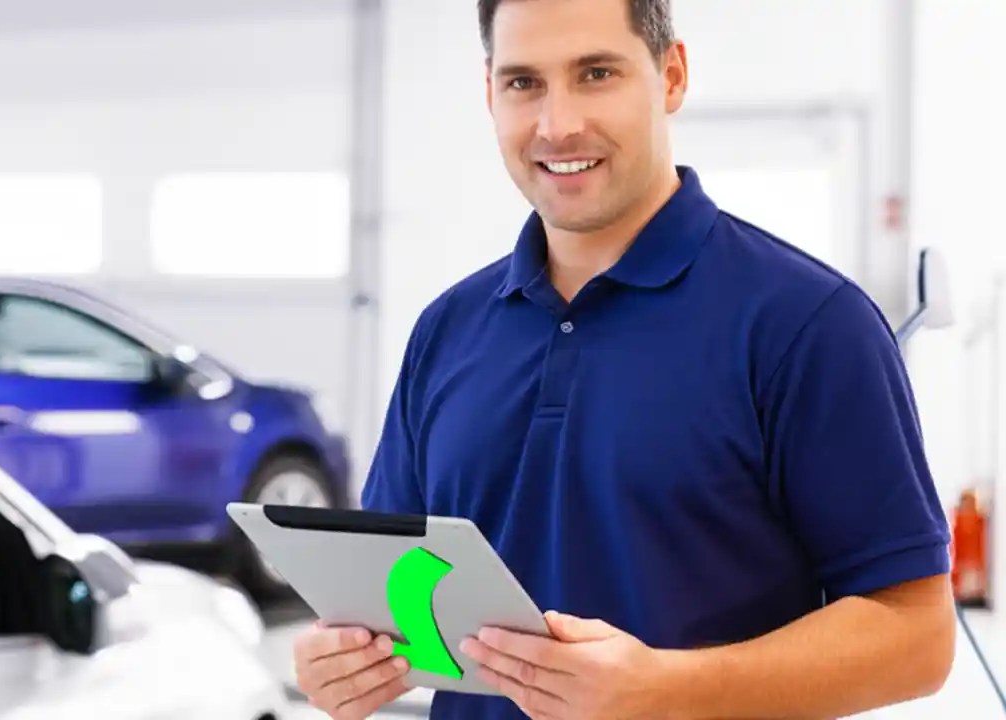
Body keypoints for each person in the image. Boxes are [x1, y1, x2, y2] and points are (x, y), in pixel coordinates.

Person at [293, 0, 956, 717]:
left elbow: (917, 638)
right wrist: (349, 657)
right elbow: (397, 592)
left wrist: (666, 691)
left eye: (596, 73)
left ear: (671, 75)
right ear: (489, 93)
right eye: (524, 84)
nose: (558, 124)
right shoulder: (447, 331)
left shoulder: (808, 324)